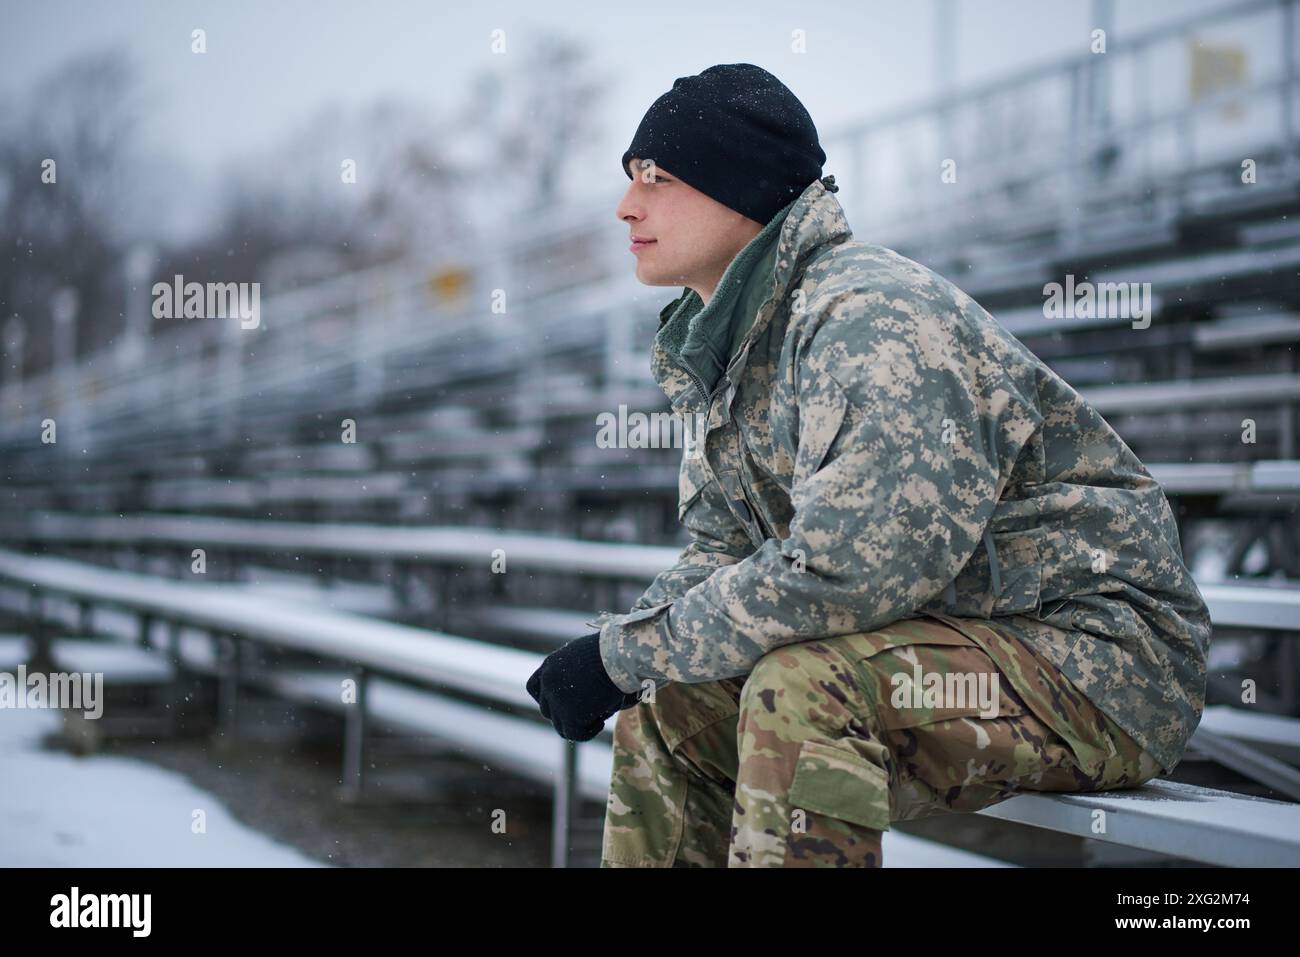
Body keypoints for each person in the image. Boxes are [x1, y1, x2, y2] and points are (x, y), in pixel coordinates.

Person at [526, 63, 1212, 867]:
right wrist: (621, 653)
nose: (625, 206)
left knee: (805, 689)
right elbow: (720, 557)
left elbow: (849, 571)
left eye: (657, 177)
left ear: (739, 190)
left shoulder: (867, 315)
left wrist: (617, 655)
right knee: (674, 701)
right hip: (953, 645)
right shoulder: (731, 347)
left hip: (1097, 662)